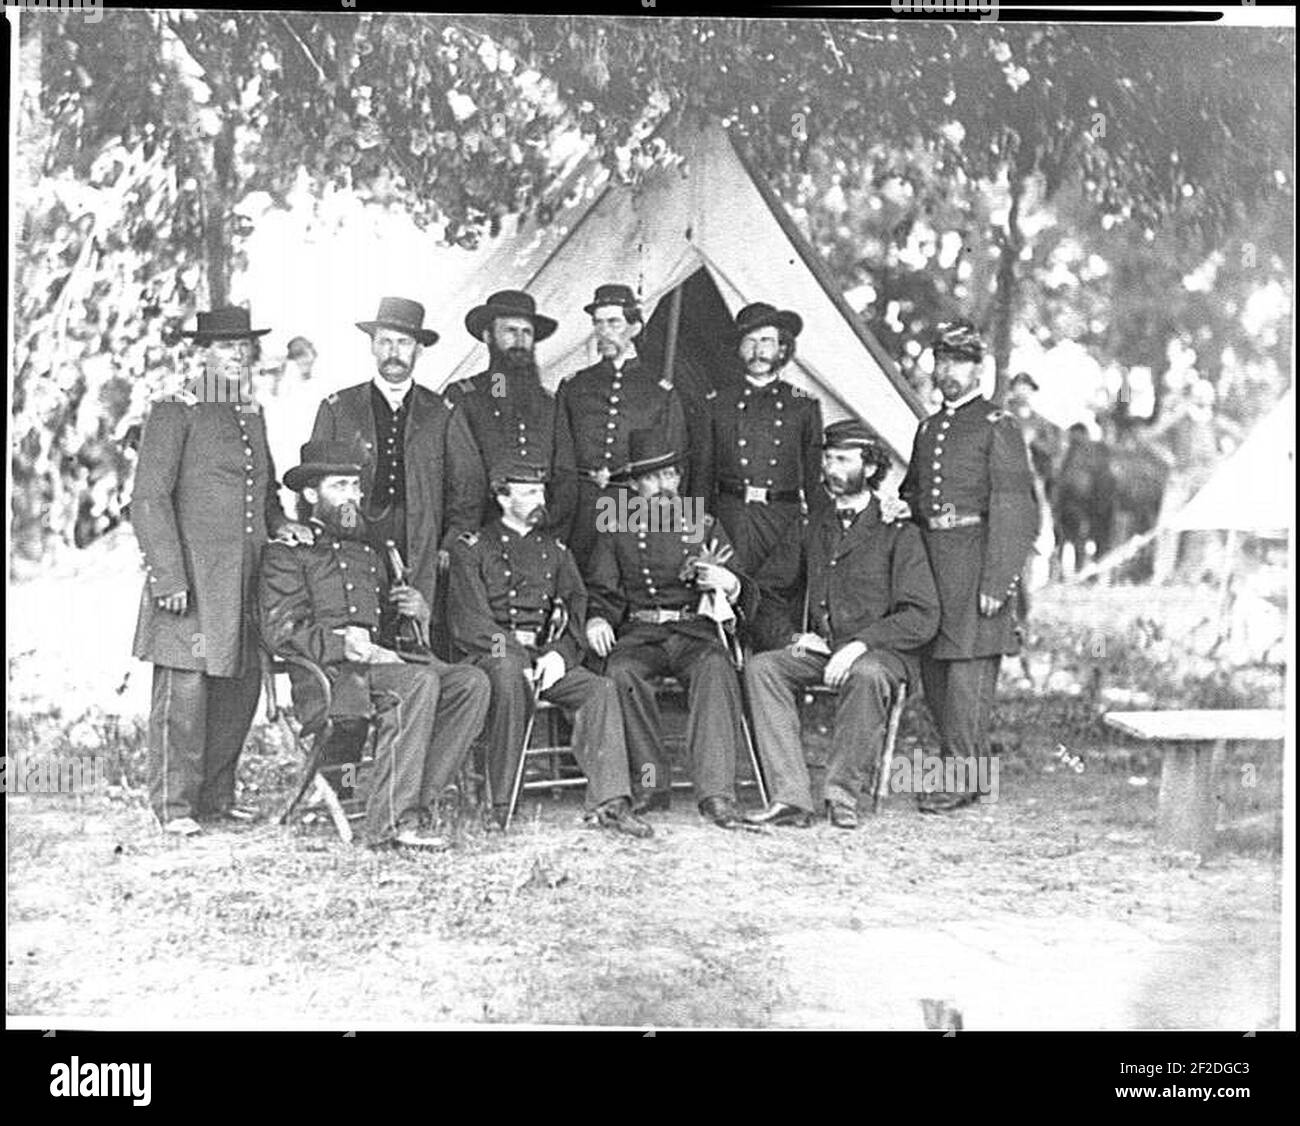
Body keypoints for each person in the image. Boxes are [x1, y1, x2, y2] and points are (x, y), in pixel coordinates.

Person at [131, 306, 313, 836]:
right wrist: (168, 577)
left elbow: (267, 488)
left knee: (238, 688)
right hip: (190, 579)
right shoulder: (175, 409)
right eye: (227, 347)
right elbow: (148, 500)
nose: (238, 356)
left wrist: (282, 525)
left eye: (244, 347)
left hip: (246, 578)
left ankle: (216, 797)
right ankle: (174, 806)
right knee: (185, 691)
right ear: (201, 354)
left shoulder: (249, 411)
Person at [259, 441, 491, 850]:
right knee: (417, 684)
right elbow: (281, 631)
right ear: (311, 495)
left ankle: (414, 802)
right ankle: (388, 825)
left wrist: (414, 610)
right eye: (339, 486)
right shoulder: (288, 554)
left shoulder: (367, 552)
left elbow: (385, 628)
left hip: (379, 668)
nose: (352, 496)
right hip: (331, 678)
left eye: (355, 486)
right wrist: (342, 643)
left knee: (470, 682)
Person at [745, 422, 939, 829]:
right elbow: (765, 592)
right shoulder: (812, 525)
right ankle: (791, 797)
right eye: (827, 459)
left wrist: (861, 645)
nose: (831, 469)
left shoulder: (898, 531)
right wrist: (793, 638)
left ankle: (842, 793)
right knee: (764, 668)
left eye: (843, 460)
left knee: (866, 676)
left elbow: (921, 615)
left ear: (869, 468)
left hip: (880, 655)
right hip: (821, 651)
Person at [446, 460, 653, 837]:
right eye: (527, 492)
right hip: (494, 654)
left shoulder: (557, 551)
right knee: (511, 678)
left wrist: (559, 654)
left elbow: (576, 610)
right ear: (502, 498)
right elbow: (470, 623)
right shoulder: (473, 548)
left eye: (541, 491)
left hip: (545, 657)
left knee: (600, 689)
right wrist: (513, 654)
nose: (539, 499)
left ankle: (611, 803)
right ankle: (500, 802)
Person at [584, 431, 756, 830]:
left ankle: (716, 794)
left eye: (670, 476)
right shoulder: (617, 526)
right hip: (642, 634)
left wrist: (726, 581)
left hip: (694, 632)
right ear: (633, 485)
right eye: (651, 478)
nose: (663, 487)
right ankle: (651, 783)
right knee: (621, 673)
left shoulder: (703, 522)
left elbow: (743, 586)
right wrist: (596, 618)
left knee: (716, 669)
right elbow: (603, 591)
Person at [900, 321, 1039, 813]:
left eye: (959, 361)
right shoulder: (929, 428)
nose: (947, 371)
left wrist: (999, 580)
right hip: (935, 567)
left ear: (978, 368)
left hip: (978, 562)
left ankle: (959, 781)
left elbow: (1017, 509)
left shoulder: (998, 424)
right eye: (941, 361)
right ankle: (971, 775)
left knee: (967, 684)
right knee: (938, 678)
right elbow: (913, 494)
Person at [309, 296, 485, 644]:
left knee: (413, 627)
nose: (394, 351)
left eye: (404, 343)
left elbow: (469, 486)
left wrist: (447, 545)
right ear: (372, 346)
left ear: (418, 349)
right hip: (353, 530)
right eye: (385, 341)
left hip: (419, 536)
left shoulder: (441, 412)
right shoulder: (338, 408)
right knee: (357, 623)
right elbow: (315, 479)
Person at [553, 284, 689, 574]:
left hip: (632, 507)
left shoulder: (659, 392)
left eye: (613, 322)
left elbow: (672, 469)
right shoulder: (574, 386)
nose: (604, 331)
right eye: (598, 323)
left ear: (635, 328)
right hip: (581, 507)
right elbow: (560, 457)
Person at [696, 302, 828, 572]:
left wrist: (819, 529)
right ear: (739, 349)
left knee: (779, 596)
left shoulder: (803, 404)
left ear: (782, 347)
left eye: (767, 341)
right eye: (750, 342)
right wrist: (699, 529)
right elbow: (702, 475)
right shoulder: (717, 403)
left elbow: (815, 479)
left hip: (783, 519)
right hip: (730, 518)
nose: (758, 352)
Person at [444, 290, 564, 528]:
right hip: (481, 528)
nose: (519, 341)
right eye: (510, 331)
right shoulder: (466, 397)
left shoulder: (551, 404)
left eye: (526, 332)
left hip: (539, 528)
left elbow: (563, 474)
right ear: (488, 336)